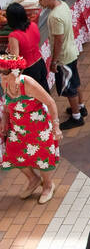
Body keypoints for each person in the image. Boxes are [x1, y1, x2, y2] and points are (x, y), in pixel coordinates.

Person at [0, 53, 61, 203]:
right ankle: (32, 179)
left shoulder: (27, 83)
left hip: (38, 126)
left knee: (42, 156)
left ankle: (48, 185)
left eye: (4, 72)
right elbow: (7, 104)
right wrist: (4, 120)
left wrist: (56, 127)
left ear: (16, 72)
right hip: (18, 127)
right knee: (13, 153)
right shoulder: (4, 82)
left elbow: (51, 102)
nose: (1, 75)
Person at [40, 0, 85, 129]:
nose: (39, 3)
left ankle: (76, 117)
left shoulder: (54, 16)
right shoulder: (63, 5)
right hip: (72, 51)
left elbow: (58, 40)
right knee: (76, 82)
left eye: (41, 0)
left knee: (69, 87)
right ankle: (81, 106)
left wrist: (54, 62)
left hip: (64, 57)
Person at [3, 1, 48, 89]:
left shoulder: (14, 36)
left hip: (29, 71)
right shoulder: (33, 25)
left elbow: (15, 60)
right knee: (44, 91)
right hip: (40, 63)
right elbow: (37, 43)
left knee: (34, 98)